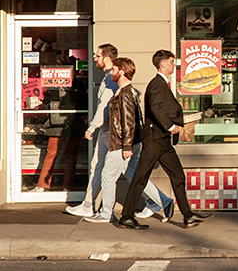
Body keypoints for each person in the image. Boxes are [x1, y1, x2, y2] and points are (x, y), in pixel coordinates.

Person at [118, 50, 213, 229]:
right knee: (140, 177)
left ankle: (188, 215)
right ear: (163, 64)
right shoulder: (157, 84)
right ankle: (126, 217)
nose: (173, 64)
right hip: (154, 139)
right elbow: (155, 108)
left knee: (178, 175)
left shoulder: (163, 84)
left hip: (163, 141)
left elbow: (162, 108)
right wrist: (170, 126)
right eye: (171, 61)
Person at [84, 57, 174, 224]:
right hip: (130, 142)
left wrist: (126, 146)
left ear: (122, 72)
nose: (111, 72)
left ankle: (106, 214)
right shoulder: (128, 91)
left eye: (114, 70)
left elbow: (128, 121)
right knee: (134, 175)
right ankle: (164, 201)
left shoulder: (124, 93)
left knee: (108, 176)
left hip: (122, 143)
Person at [65, 44, 118, 216]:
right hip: (106, 131)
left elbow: (105, 107)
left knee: (126, 171)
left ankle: (160, 201)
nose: (94, 58)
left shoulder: (111, 79)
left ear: (107, 58)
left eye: (98, 56)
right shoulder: (107, 78)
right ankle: (88, 205)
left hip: (109, 132)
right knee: (97, 166)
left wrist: (92, 128)